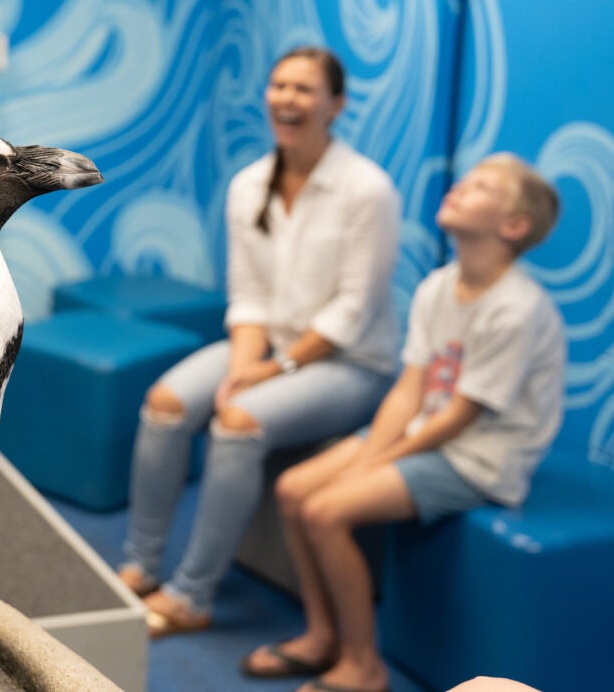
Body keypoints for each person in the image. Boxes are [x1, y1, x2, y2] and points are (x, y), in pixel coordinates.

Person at [241, 153, 564, 692]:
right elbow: (411, 389)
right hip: (428, 434)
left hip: (479, 457)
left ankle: (364, 665)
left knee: (325, 511)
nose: (461, 187)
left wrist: (376, 464)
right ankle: (322, 636)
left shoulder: (517, 308)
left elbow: (462, 416)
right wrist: (371, 456)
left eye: (482, 186)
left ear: (513, 226)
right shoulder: (439, 285)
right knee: (294, 488)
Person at [118, 46, 402, 636]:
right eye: (279, 86)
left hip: (351, 363)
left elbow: (354, 310)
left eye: (304, 89)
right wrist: (245, 365)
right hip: (272, 346)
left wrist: (270, 374)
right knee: (165, 404)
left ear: (336, 105)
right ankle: (140, 565)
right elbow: (247, 295)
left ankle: (192, 595)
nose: (287, 99)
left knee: (238, 421)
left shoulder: (367, 189)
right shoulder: (249, 185)